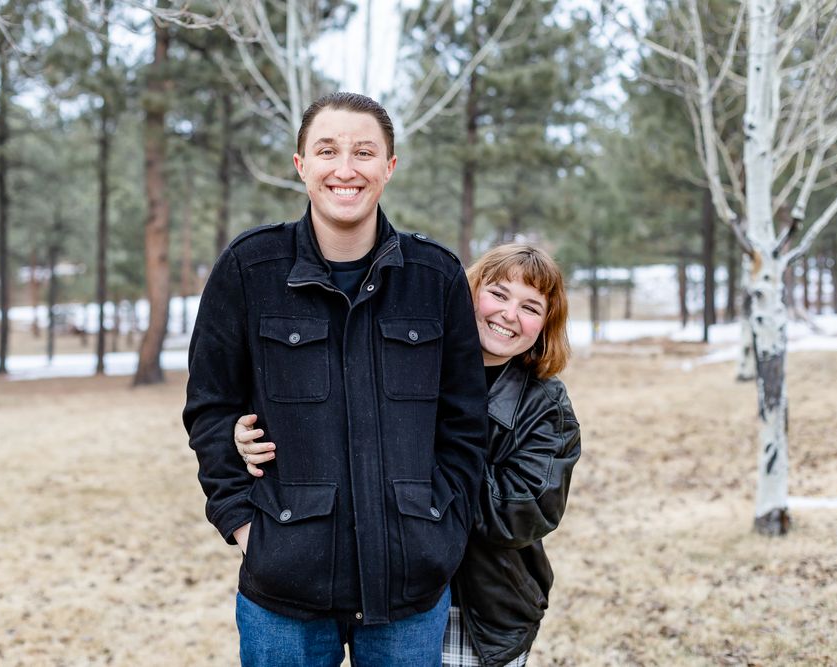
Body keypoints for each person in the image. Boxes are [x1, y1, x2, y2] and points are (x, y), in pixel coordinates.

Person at [182, 92, 488, 666]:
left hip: (409, 591)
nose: (345, 169)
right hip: (284, 592)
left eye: (364, 152)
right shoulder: (249, 269)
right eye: (327, 150)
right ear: (301, 165)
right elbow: (210, 408)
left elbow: (464, 423)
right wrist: (245, 527)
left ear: (389, 167)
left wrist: (439, 532)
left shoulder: (436, 277)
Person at [237, 244, 581, 666]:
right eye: (498, 293)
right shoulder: (409, 365)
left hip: (477, 606)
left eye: (531, 307)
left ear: (546, 324)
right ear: (466, 293)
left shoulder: (545, 405)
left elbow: (522, 510)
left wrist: (428, 462)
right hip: (386, 584)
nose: (509, 314)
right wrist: (246, 435)